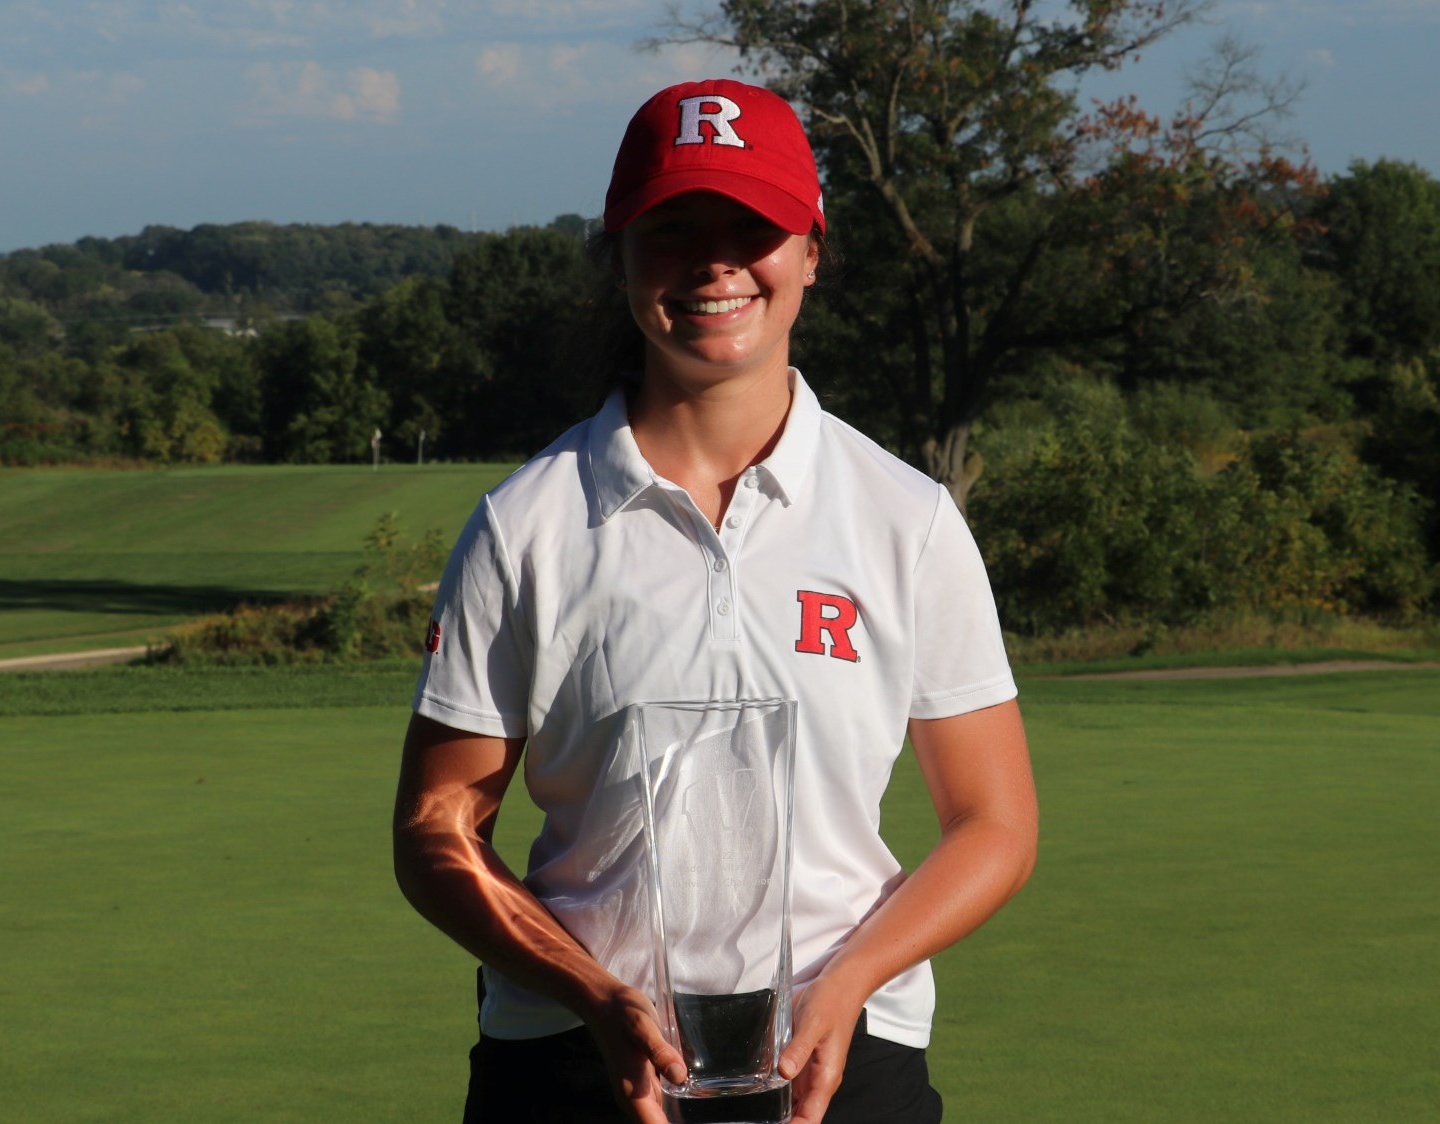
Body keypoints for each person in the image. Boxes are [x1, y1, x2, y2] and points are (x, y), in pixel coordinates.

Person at [393, 78, 1037, 1124]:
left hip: (842, 1050)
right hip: (571, 1055)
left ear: (811, 253)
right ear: (619, 259)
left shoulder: (904, 519)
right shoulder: (525, 525)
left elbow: (993, 822)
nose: (715, 260)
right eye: (673, 227)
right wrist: (594, 990)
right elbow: (435, 825)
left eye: (753, 226)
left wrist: (847, 980)